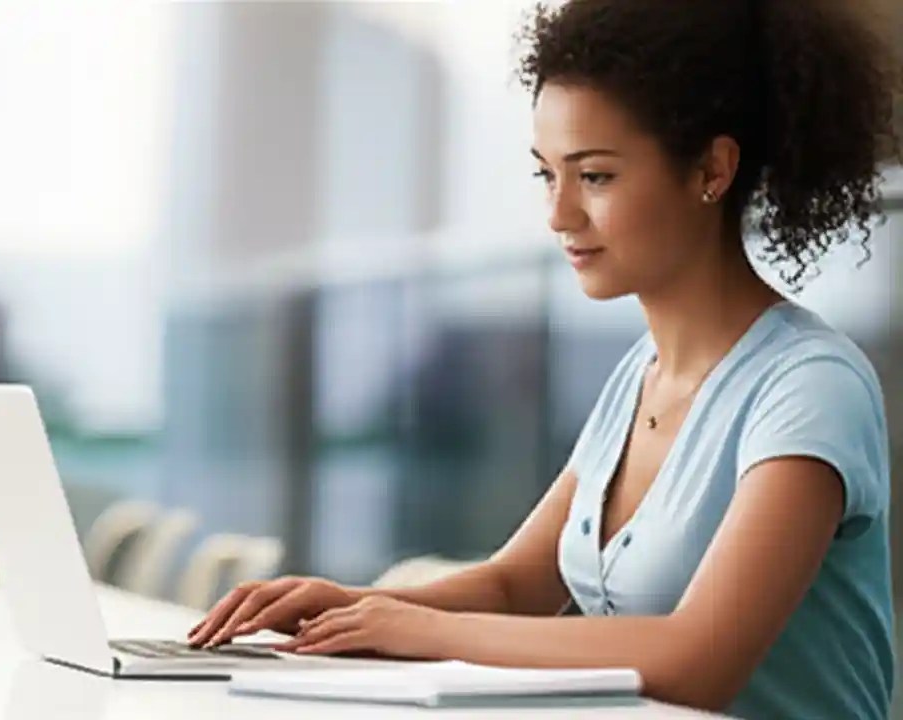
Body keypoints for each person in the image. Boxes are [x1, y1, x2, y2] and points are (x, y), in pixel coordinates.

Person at [187, 1, 902, 717]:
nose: (559, 215)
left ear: (711, 169)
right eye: (546, 176)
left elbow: (697, 664)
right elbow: (514, 587)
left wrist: (421, 630)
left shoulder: (810, 387)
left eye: (595, 177)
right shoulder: (639, 377)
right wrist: (348, 605)